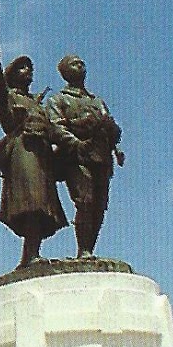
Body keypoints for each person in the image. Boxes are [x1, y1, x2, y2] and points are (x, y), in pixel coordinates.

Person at [0, 0, 83, 269]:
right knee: (33, 203)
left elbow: (54, 128)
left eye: (30, 67)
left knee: (44, 204)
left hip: (43, 154)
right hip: (23, 153)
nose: (28, 71)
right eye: (22, 67)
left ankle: (30, 256)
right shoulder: (7, 97)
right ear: (12, 74)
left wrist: (74, 144)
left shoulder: (39, 104)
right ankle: (30, 256)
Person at [46, 54, 124, 257]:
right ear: (64, 72)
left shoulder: (97, 101)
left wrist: (113, 135)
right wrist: (76, 142)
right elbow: (55, 128)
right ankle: (84, 250)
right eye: (74, 63)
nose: (80, 65)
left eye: (82, 63)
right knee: (85, 201)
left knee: (99, 205)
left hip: (102, 157)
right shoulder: (58, 99)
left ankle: (90, 248)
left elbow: (113, 130)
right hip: (76, 157)